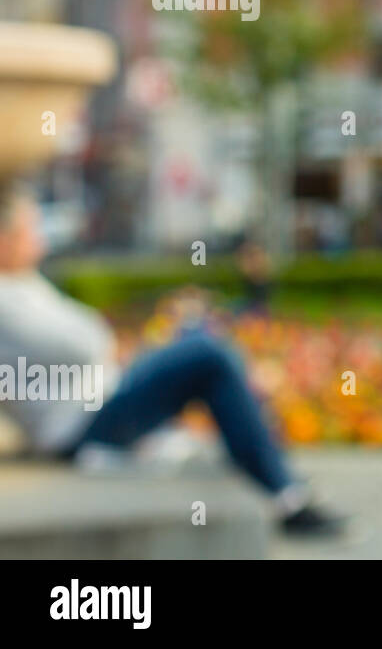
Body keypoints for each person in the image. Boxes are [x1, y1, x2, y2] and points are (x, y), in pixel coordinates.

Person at [0, 179, 347, 537]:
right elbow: (86, 343)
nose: (40, 238)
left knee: (199, 333)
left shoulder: (23, 284)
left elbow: (86, 343)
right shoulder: (5, 297)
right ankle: (287, 496)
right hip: (84, 427)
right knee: (209, 357)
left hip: (104, 399)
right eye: (31, 228)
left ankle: (271, 465)